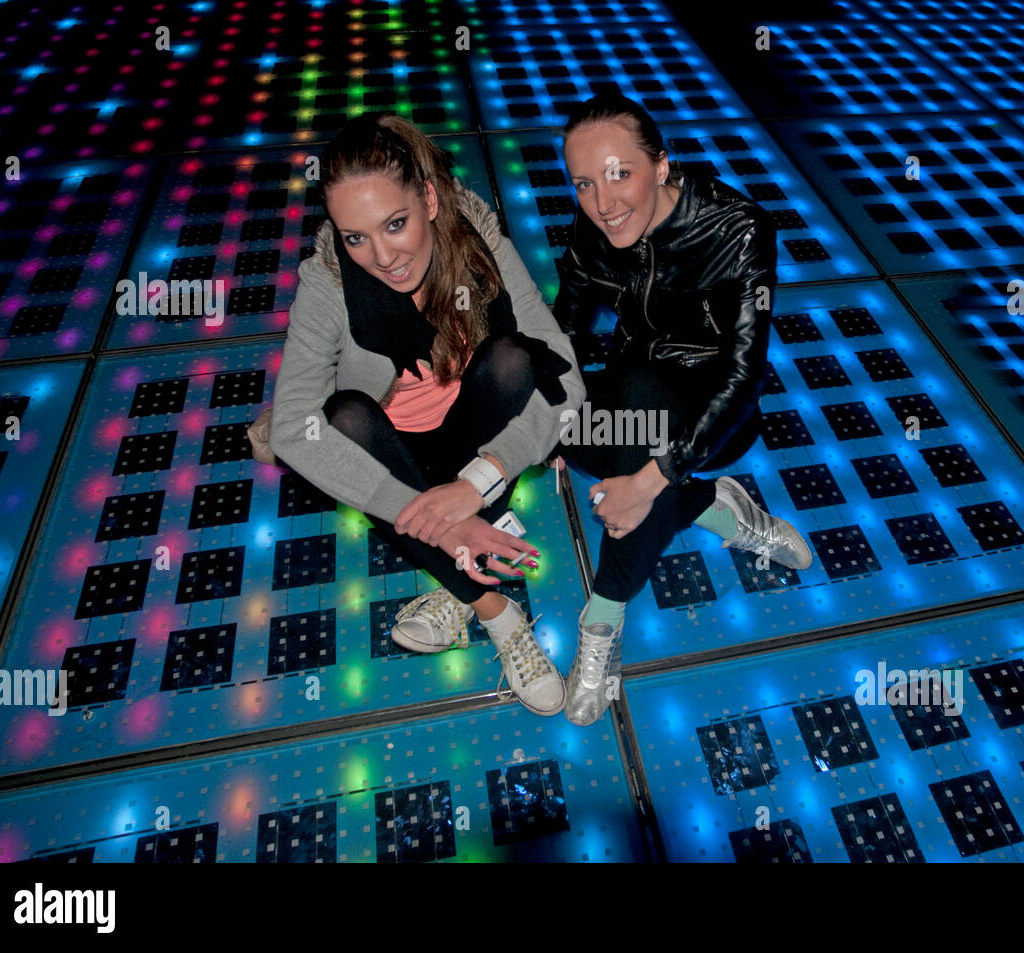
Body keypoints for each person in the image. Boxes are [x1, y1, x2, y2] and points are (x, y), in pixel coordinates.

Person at [268, 113, 586, 716]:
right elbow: (292, 429)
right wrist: (440, 521)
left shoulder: (477, 237)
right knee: (343, 420)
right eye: (355, 236)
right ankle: (496, 613)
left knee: (519, 360)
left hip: (473, 434)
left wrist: (478, 483)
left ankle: (454, 578)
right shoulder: (328, 282)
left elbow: (566, 378)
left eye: (395, 224)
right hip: (398, 449)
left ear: (431, 200)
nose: (382, 256)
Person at [552, 93, 813, 727]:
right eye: (584, 183)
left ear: (662, 166)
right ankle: (712, 507)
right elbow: (567, 324)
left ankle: (602, 618)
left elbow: (744, 377)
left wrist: (649, 481)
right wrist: (547, 414)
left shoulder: (740, 229)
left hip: (711, 415)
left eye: (620, 174)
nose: (603, 202)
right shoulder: (597, 223)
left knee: (642, 419)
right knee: (553, 409)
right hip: (631, 403)